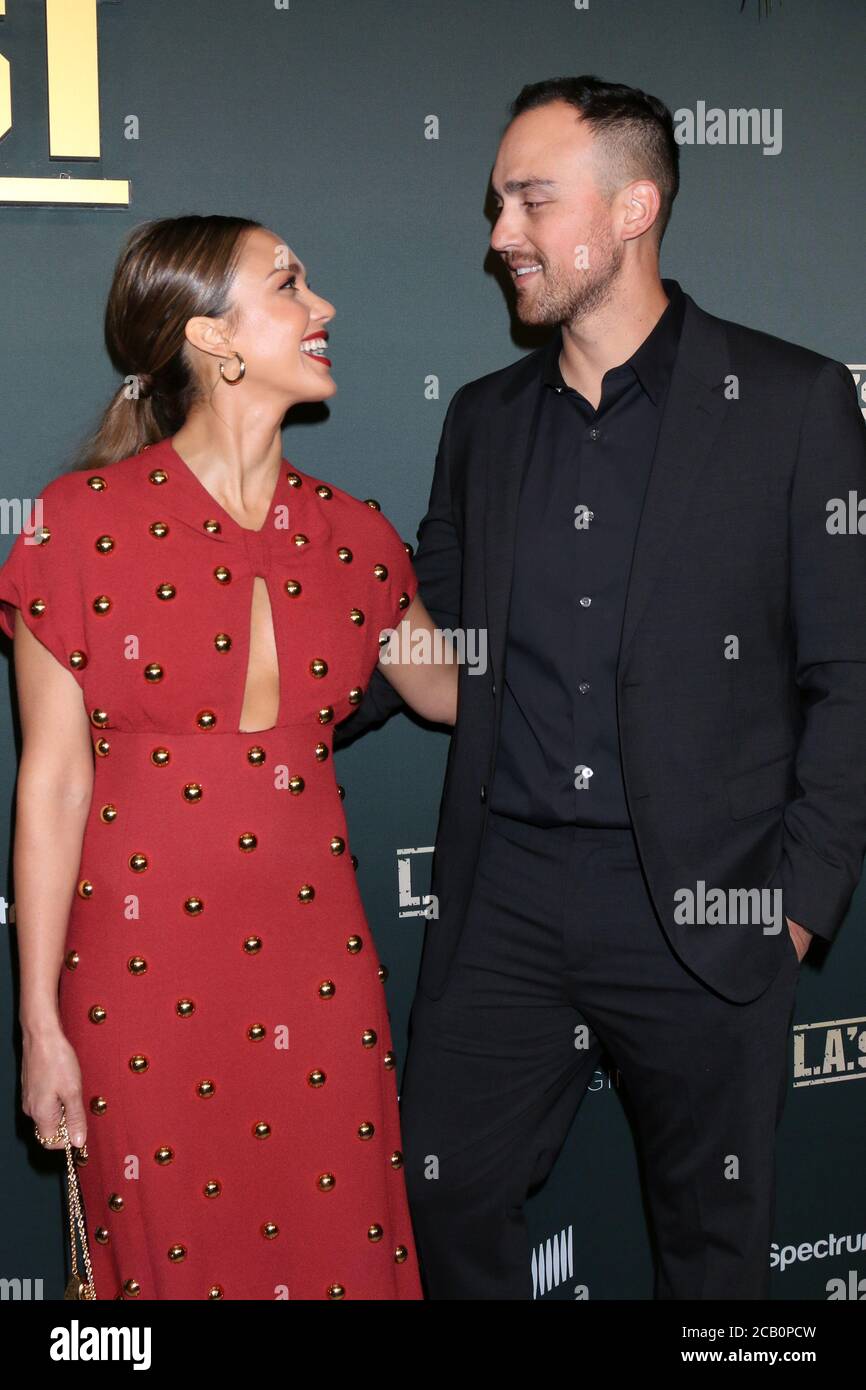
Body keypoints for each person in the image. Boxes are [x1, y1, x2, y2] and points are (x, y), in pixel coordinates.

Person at [334, 77, 866, 1299]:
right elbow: (435, 636)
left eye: (528, 199)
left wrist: (796, 902)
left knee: (713, 1252)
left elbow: (849, 672)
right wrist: (265, 689)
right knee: (441, 1193)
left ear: (632, 207)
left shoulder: (788, 404)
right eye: (495, 204)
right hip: (505, 898)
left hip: (709, 901)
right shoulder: (482, 421)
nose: (497, 236)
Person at [0, 214, 456, 1300]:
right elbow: (53, 788)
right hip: (139, 978)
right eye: (290, 285)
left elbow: (455, 691)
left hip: (318, 967)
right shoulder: (78, 525)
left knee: (340, 1245)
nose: (324, 308)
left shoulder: (355, 536)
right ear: (214, 340)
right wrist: (39, 1024)